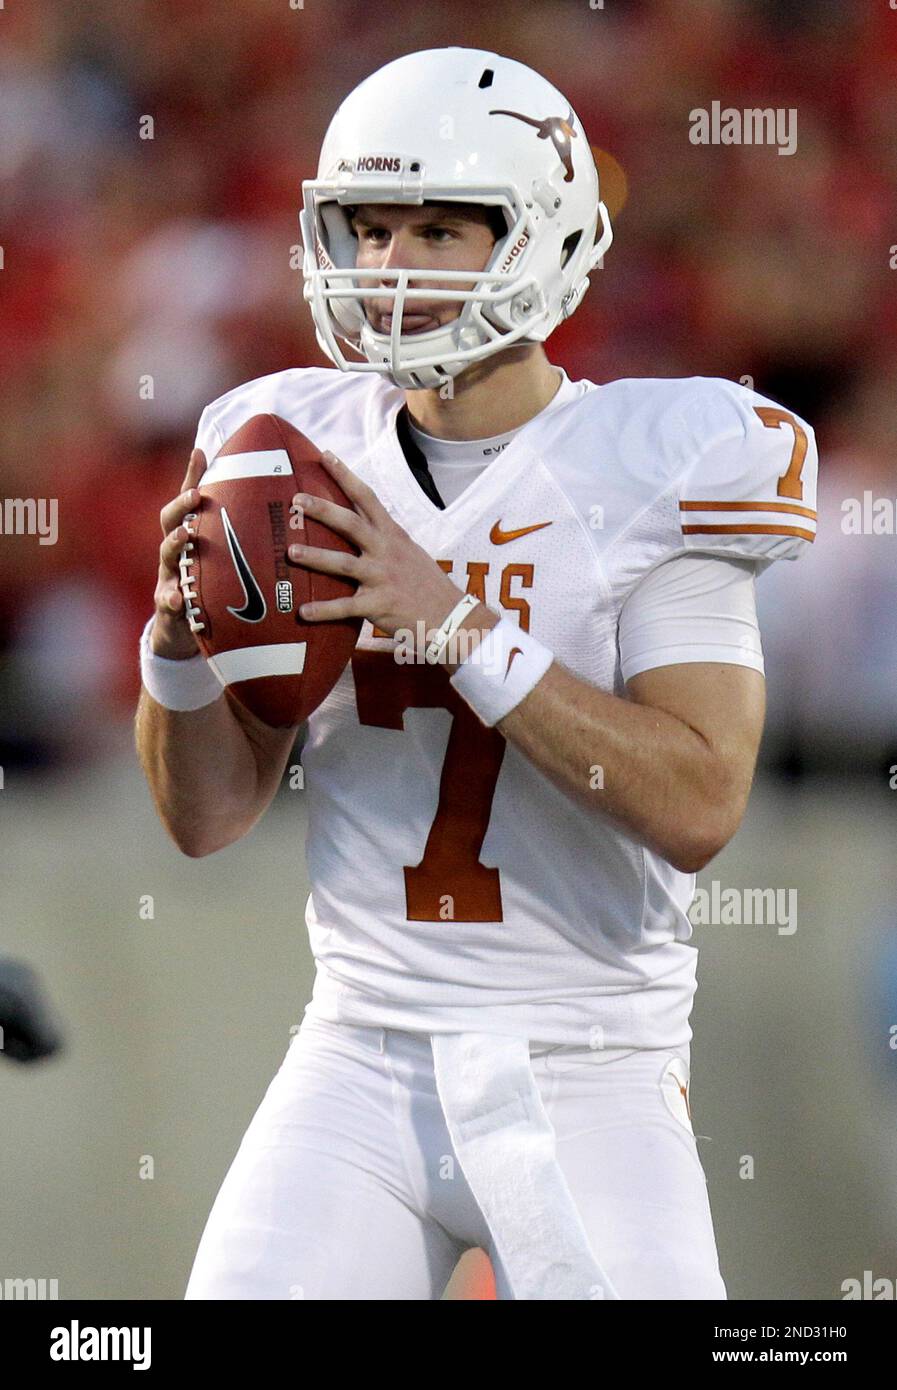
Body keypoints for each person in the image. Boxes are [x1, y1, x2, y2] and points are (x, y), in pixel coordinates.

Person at [135, 47, 817, 1300]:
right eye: (371, 225)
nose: (391, 265)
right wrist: (176, 663)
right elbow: (207, 819)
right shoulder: (282, 443)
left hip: (591, 1060)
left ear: (548, 238)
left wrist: (454, 622)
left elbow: (701, 803)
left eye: (441, 226)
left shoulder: (660, 459)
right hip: (359, 1050)